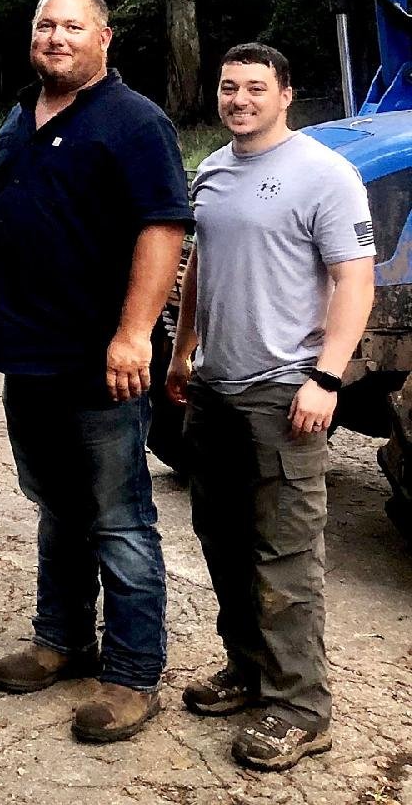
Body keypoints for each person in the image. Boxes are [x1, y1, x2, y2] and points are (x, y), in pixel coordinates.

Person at [0, 0, 191, 744]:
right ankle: (62, 638)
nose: (56, 36)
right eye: (45, 23)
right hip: (28, 353)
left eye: (72, 26)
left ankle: (132, 672)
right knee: (58, 505)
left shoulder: (134, 123)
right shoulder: (20, 116)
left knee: (118, 517)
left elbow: (163, 229)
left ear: (103, 38)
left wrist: (134, 333)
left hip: (100, 360)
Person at [167, 43, 376, 772]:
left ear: (286, 93)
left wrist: (328, 377)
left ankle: (300, 706)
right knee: (223, 542)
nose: (240, 99)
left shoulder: (325, 173)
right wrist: (181, 346)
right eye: (229, 88)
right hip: (216, 388)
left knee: (285, 555)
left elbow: (354, 281)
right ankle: (249, 668)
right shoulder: (214, 171)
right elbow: (199, 266)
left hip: (285, 390)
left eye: (256, 87)